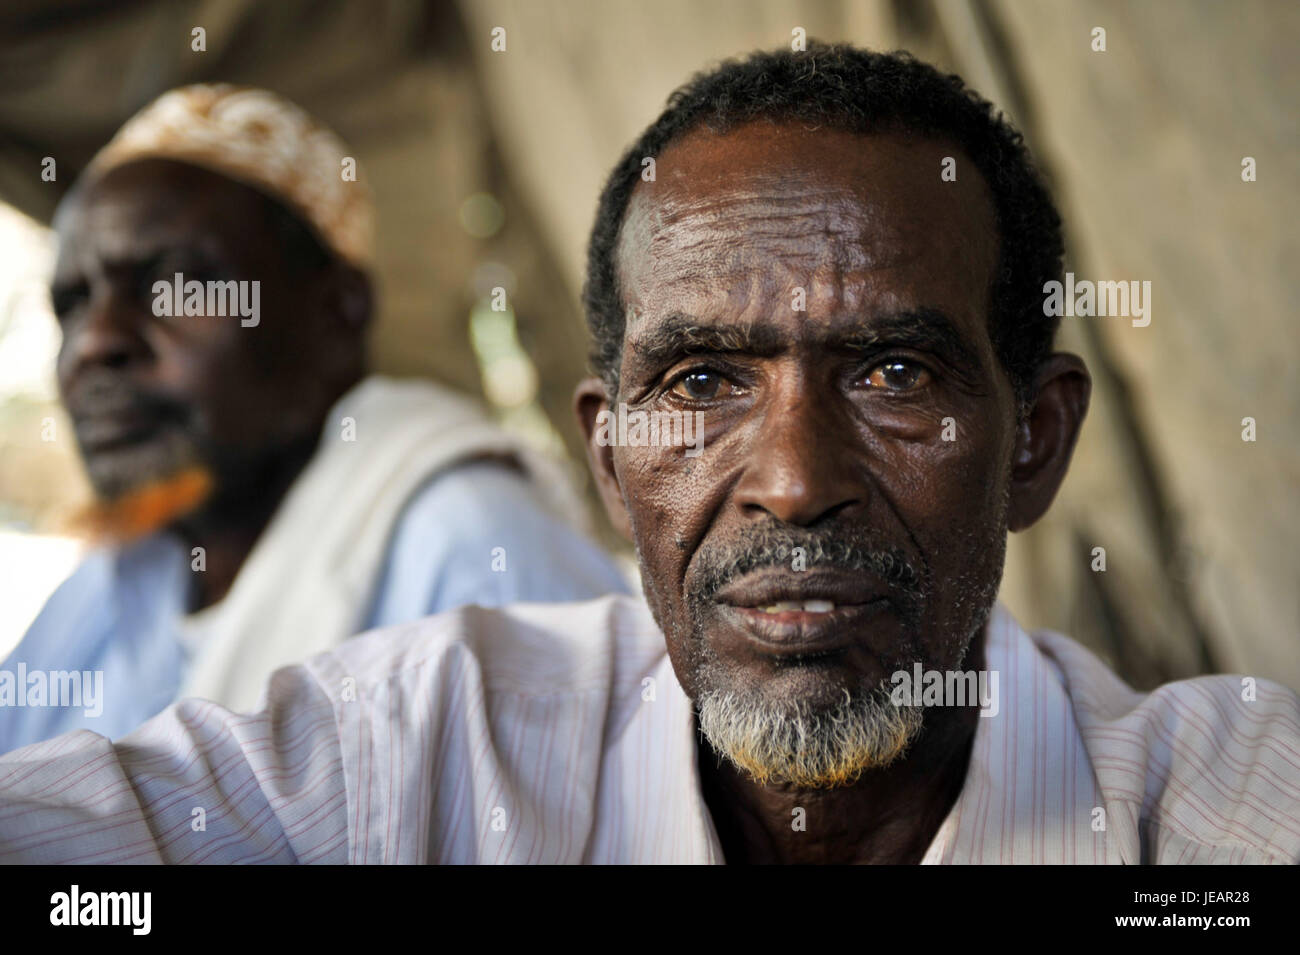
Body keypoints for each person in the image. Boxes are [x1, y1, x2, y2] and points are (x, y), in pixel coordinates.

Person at [0, 46, 1296, 864]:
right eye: (703, 382)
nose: (793, 477)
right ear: (612, 463)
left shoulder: (1202, 813)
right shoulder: (434, 753)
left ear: (1037, 442)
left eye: (896, 372)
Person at [0, 85, 627, 752]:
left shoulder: (472, 550)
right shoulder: (106, 587)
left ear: (337, 312)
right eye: (72, 302)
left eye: (176, 282)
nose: (95, 342)